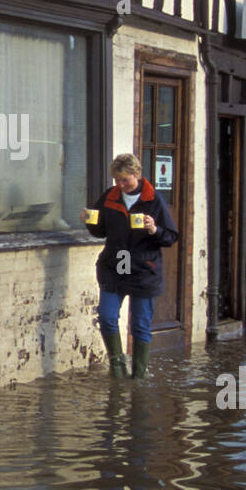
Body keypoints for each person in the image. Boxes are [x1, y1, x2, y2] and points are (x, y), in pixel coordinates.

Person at [80, 154, 179, 380]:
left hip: (144, 269)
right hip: (114, 266)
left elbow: (170, 237)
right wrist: (89, 221)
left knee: (140, 324)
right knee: (106, 316)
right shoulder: (110, 196)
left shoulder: (154, 199)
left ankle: (139, 375)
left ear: (137, 174)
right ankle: (117, 367)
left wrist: (154, 229)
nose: (121, 185)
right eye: (117, 180)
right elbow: (100, 231)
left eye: (125, 180)